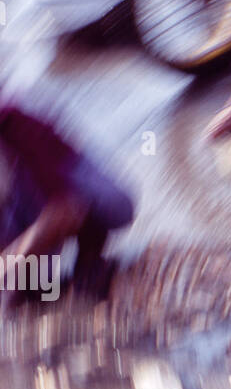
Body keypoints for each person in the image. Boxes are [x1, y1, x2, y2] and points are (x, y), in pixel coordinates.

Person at [0, 99, 134, 301]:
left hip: (57, 193)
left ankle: (89, 262)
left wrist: (12, 266)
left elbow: (64, 208)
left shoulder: (14, 124)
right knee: (40, 288)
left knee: (110, 206)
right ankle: (29, 283)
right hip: (19, 215)